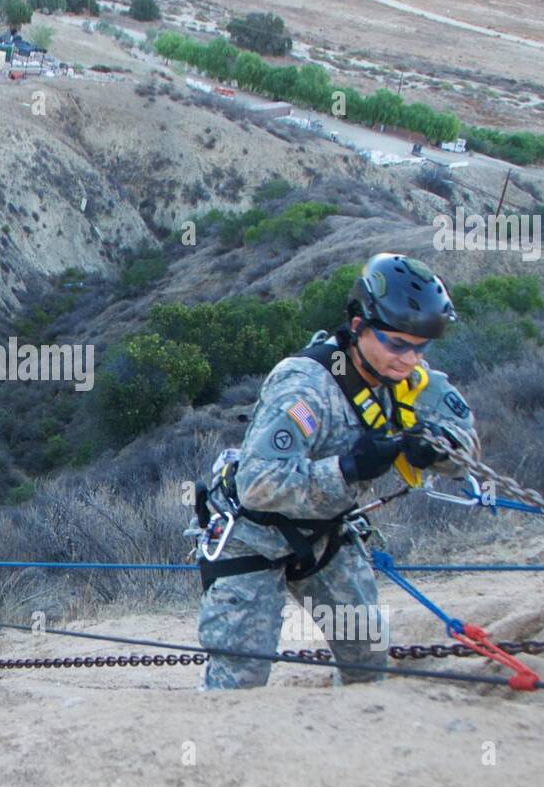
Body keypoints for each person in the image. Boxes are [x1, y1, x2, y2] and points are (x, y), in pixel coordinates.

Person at [195, 253, 481, 689]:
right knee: (239, 680)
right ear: (358, 325)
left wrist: (438, 449)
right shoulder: (306, 387)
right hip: (253, 538)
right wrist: (348, 470)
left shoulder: (412, 382)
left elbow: (465, 444)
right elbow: (258, 484)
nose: (409, 359)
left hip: (325, 536)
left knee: (367, 660)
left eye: (420, 347)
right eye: (396, 344)